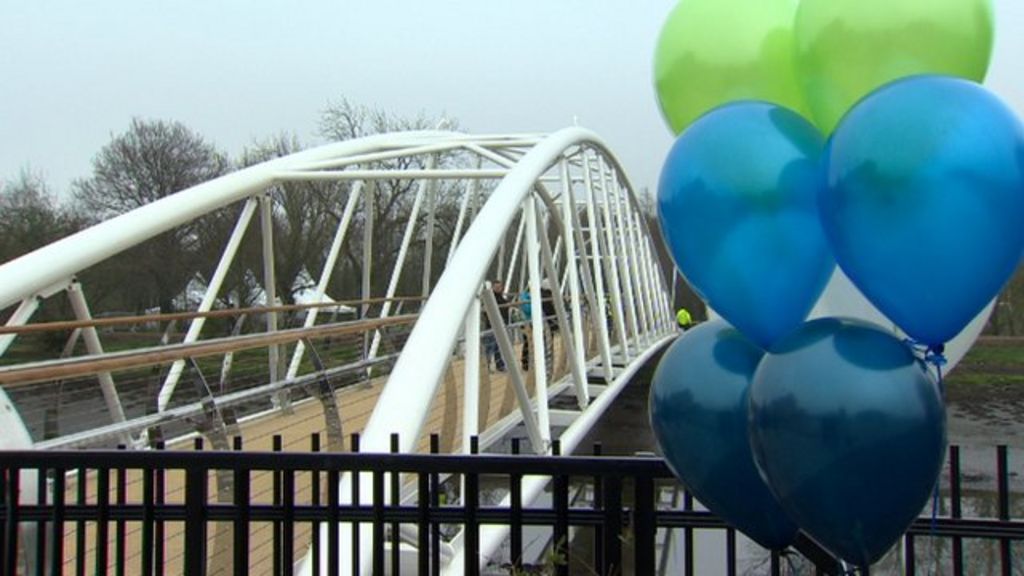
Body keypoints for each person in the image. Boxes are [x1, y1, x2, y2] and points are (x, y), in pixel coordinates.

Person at [484, 280, 511, 371]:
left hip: (501, 325)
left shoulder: (500, 297)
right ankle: (486, 366)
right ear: (492, 288)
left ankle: (499, 365)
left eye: (500, 287)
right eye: (496, 287)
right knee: (490, 347)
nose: (498, 289)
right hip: (492, 326)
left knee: (498, 347)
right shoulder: (491, 298)